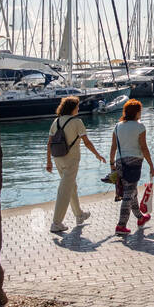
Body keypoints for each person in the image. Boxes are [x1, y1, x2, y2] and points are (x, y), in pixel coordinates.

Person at [46, 96, 105, 233]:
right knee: (64, 191)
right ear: (72, 108)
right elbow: (87, 142)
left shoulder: (56, 122)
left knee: (71, 186)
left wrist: (48, 161)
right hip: (71, 161)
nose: (78, 108)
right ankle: (56, 223)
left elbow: (49, 143)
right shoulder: (77, 122)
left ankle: (79, 215)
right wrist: (97, 154)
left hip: (58, 159)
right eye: (77, 106)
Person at [108, 99, 154, 235]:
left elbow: (113, 147)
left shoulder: (117, 126)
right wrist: (151, 164)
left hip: (119, 162)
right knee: (129, 193)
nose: (141, 113)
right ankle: (121, 225)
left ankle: (140, 218)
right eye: (140, 111)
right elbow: (144, 148)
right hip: (134, 162)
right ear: (136, 112)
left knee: (131, 190)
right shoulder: (140, 127)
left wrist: (112, 164)